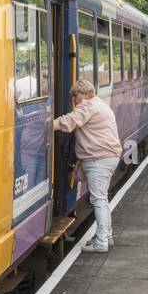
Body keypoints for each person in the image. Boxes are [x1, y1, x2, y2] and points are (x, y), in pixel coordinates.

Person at [53, 79, 123, 253]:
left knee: (99, 200)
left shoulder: (87, 106)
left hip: (99, 158)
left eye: (75, 95)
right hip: (106, 156)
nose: (74, 99)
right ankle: (106, 235)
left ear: (84, 93)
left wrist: (47, 125)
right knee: (101, 199)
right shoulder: (99, 104)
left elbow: (68, 122)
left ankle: (102, 242)